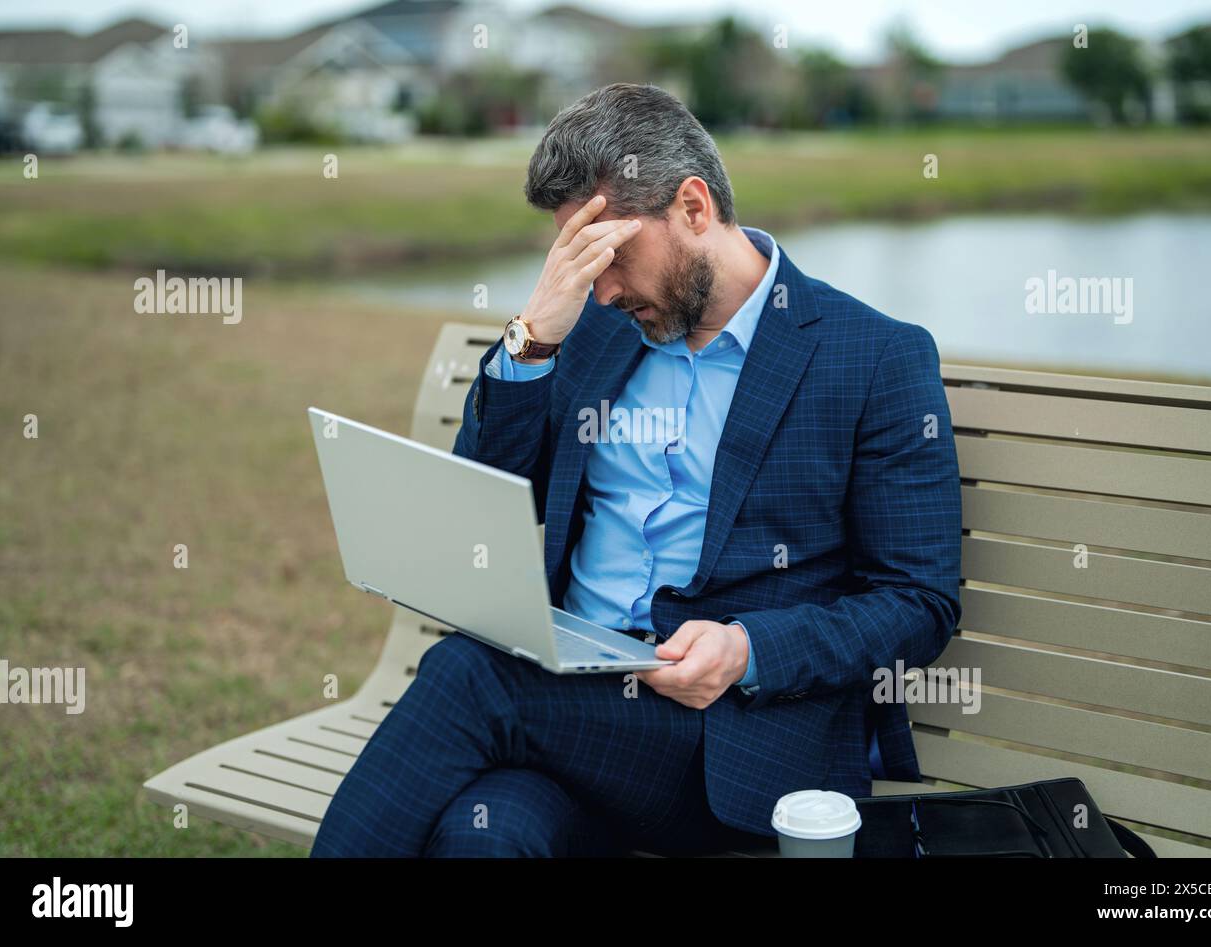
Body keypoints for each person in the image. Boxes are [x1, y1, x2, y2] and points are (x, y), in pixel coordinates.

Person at [311, 83, 961, 857]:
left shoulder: (872, 356)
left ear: (693, 207)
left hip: (727, 742)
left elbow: (917, 601)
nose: (604, 288)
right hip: (574, 722)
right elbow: (478, 504)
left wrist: (749, 647)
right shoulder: (591, 331)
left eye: (611, 253)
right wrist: (532, 344)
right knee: (482, 837)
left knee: (468, 675)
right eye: (579, 261)